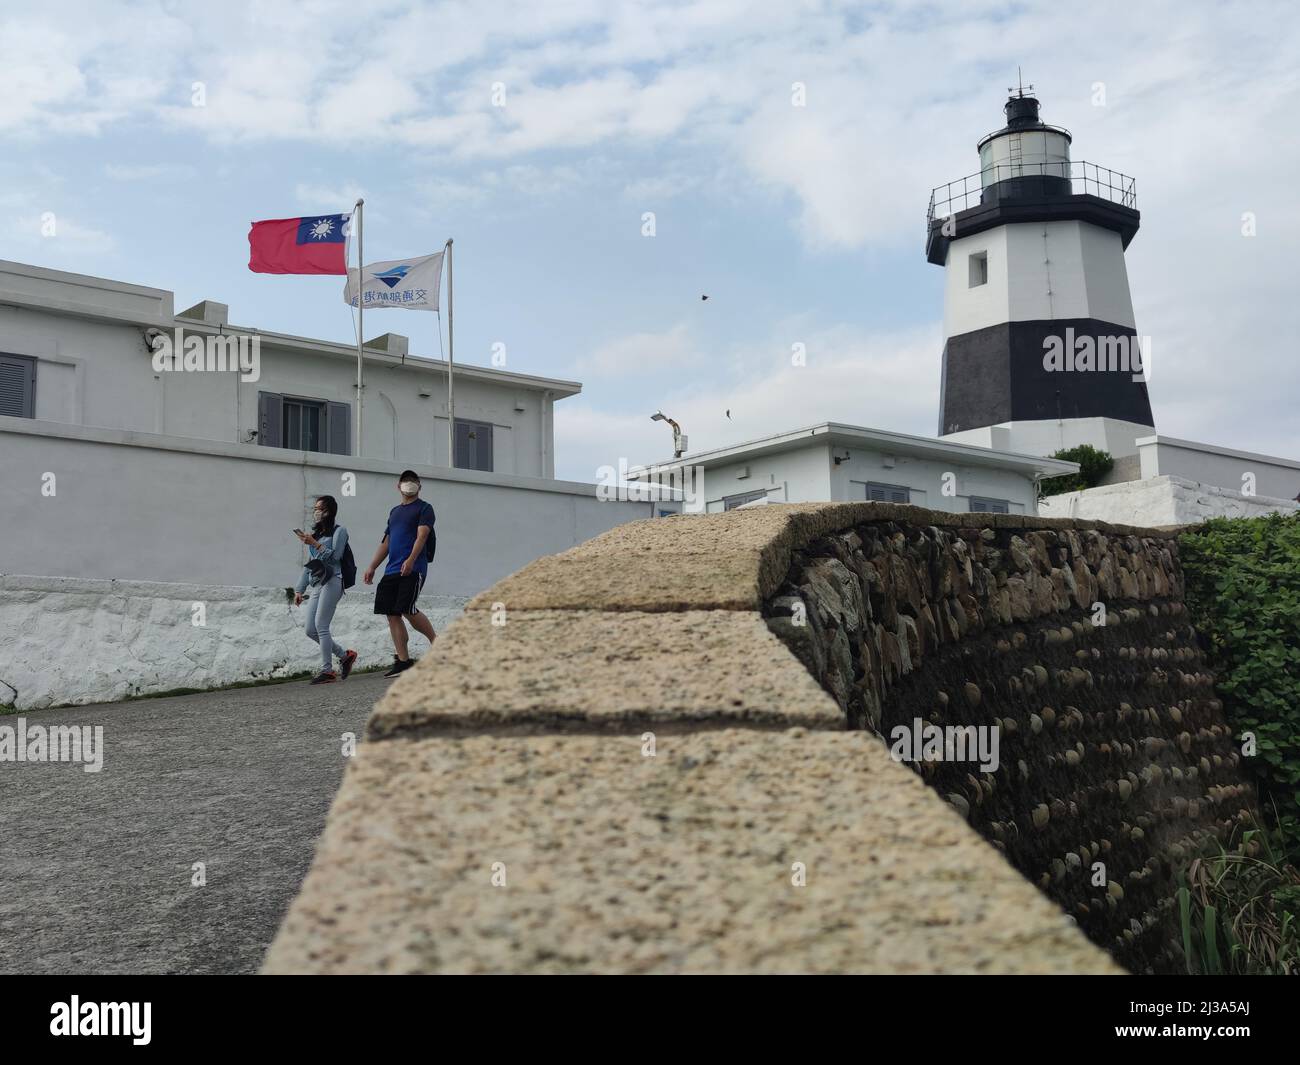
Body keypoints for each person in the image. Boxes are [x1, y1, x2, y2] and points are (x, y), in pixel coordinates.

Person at [363, 470, 437, 677]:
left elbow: (422, 535)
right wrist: (372, 566)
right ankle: (403, 661)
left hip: (413, 567)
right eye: (406, 481)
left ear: (420, 486)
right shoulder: (394, 511)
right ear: (398, 486)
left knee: (407, 608)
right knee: (392, 614)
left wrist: (411, 560)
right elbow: (386, 542)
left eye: (414, 481)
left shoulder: (425, 508)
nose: (410, 484)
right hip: (391, 569)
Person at [293, 495, 358, 685]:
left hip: (334, 580)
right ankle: (344, 655)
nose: (316, 512)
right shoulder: (316, 536)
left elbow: (335, 556)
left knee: (321, 625)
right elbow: (310, 566)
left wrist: (314, 543)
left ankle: (327, 670)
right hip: (318, 583)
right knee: (310, 629)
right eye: (315, 508)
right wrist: (299, 589)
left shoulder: (340, 531)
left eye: (319, 508)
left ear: (329, 511)